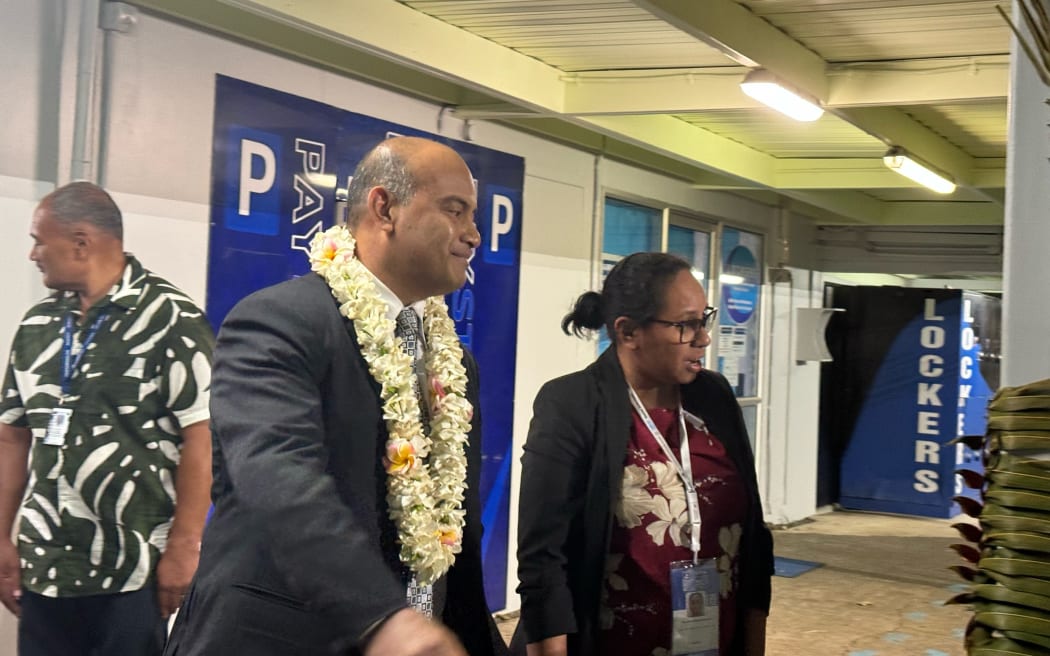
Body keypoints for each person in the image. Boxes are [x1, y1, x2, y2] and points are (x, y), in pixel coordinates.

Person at [164, 136, 507, 656]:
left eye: (472, 216)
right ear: (384, 208)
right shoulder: (279, 322)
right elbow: (279, 479)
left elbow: (454, 530)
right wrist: (383, 619)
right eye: (454, 211)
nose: (474, 235)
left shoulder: (456, 362)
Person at [514, 252, 774, 656]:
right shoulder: (574, 404)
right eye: (685, 325)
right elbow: (544, 559)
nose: (703, 338)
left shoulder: (714, 397)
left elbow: (755, 537)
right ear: (628, 331)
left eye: (702, 319)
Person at [0, 181, 215, 655]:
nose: (33, 253)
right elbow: (12, 438)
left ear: (81, 243)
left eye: (40, 239)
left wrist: (185, 547)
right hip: (46, 568)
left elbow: (201, 438)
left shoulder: (172, 320)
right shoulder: (37, 326)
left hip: (131, 572)